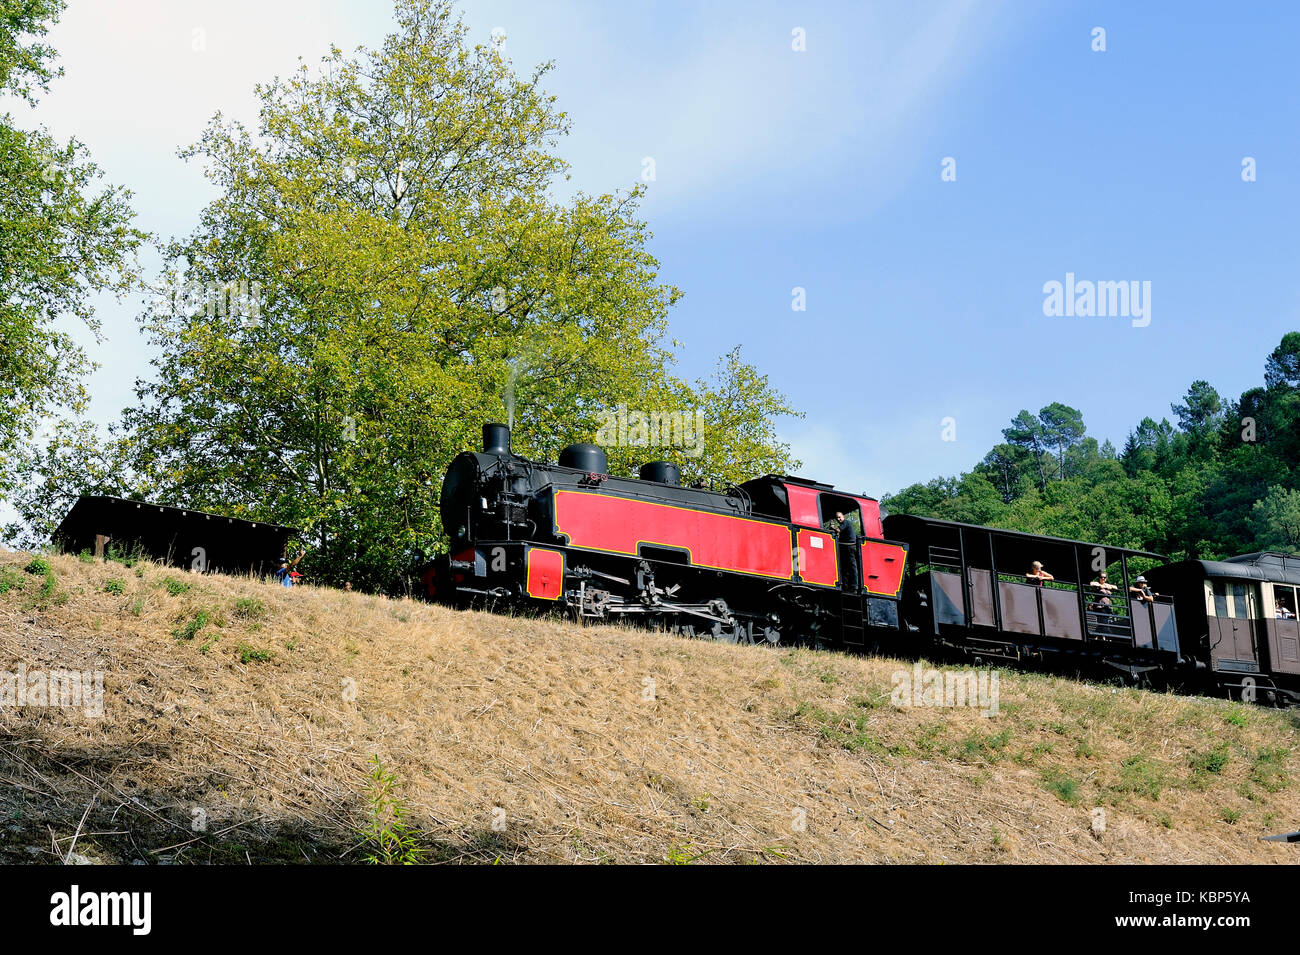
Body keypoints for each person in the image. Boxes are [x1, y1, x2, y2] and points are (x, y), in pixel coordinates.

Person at [835, 510, 860, 593]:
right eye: (837, 518)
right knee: (845, 568)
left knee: (852, 567)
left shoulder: (846, 523)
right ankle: (846, 586)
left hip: (850, 547)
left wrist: (832, 528)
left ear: (843, 517)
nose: (838, 519)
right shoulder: (844, 524)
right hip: (846, 548)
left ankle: (854, 586)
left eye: (839, 517)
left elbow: (838, 530)